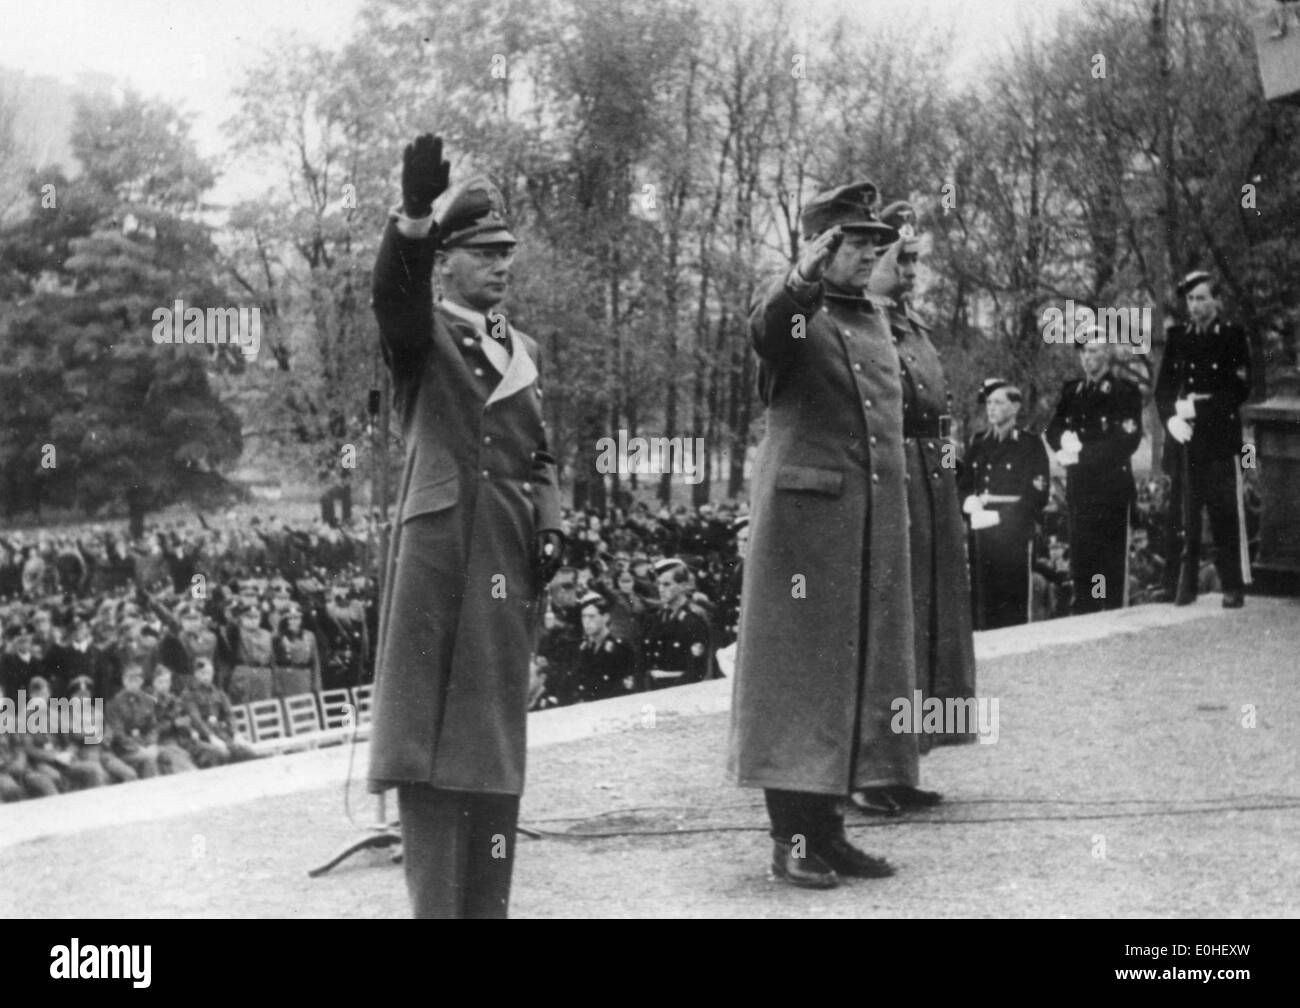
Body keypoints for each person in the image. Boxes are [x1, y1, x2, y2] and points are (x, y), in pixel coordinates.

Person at [367, 134, 564, 919]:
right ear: (445, 260)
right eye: (483, 252)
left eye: (507, 252)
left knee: (492, 738)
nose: (501, 265)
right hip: (442, 562)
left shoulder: (524, 349)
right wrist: (413, 216)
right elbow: (393, 294)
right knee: (429, 743)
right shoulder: (422, 338)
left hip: (509, 562)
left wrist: (550, 522)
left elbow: (542, 453)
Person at [729, 180, 906, 889]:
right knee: (797, 680)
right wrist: (801, 276)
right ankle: (790, 839)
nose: (869, 255)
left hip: (864, 524)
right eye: (854, 244)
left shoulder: (871, 317)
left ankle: (828, 831)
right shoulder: (797, 313)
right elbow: (769, 330)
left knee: (847, 672)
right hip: (803, 529)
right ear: (821, 248)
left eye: (873, 244)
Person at [853, 201, 978, 816]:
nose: (910, 273)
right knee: (888, 622)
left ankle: (905, 759)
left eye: (915, 261)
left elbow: (943, 410)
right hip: (890, 482)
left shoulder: (913, 327)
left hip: (930, 484)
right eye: (901, 260)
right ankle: (870, 768)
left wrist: (952, 484)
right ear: (872, 262)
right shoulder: (860, 327)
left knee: (927, 619)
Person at [1154, 271, 1252, 608]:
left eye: (1201, 298)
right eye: (1190, 299)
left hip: (1219, 437)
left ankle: (1232, 584)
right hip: (1187, 438)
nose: (1194, 306)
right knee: (1185, 513)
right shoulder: (1179, 338)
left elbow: (1238, 388)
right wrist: (1170, 418)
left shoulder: (1232, 337)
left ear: (1217, 301)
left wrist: (1197, 407)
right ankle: (1184, 583)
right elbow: (1163, 389)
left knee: (1223, 511)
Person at [1045, 334, 1144, 613]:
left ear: (1107, 355)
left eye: (1094, 351)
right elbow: (1052, 428)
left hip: (1110, 492)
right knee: (1083, 564)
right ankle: (1088, 618)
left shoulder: (1124, 392)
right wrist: (1063, 440)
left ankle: (1107, 618)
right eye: (1084, 352)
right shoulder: (1073, 391)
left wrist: (1081, 454)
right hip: (1080, 492)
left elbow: (1126, 441)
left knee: (1109, 567)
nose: (1087, 357)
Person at [958, 380, 1051, 630]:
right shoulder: (978, 444)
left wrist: (1001, 518)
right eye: (988, 403)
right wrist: (967, 501)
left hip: (1014, 538)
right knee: (983, 612)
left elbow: (1036, 495)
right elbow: (962, 482)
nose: (991, 408)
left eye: (998, 402)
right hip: (982, 538)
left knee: (1013, 612)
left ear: (1015, 407)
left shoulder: (1029, 445)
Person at [640, 559, 712, 690]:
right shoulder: (655, 618)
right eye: (659, 584)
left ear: (683, 585)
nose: (661, 589)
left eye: (667, 584)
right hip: (653, 690)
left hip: (678, 691)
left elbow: (697, 671)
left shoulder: (692, 620)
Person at [181, 657, 257, 765]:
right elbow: (197, 720)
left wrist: (236, 733)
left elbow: (229, 714)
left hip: (220, 733)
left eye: (209, 673)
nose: (207, 676)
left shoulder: (218, 692)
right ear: (196, 674)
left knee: (247, 753)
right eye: (203, 673)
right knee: (222, 754)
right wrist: (211, 737)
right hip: (202, 738)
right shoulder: (189, 695)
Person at [571, 592, 638, 701]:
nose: (587, 622)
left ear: (605, 618)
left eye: (592, 616)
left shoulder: (620, 648)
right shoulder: (583, 648)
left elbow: (626, 688)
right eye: (584, 617)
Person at [106, 662, 160, 778]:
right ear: (124, 681)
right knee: (148, 758)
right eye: (130, 680)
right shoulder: (114, 704)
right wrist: (138, 748)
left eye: (137, 680)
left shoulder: (148, 700)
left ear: (142, 681)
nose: (134, 683)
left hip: (145, 745)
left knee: (161, 754)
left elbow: (153, 727)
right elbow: (118, 734)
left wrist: (151, 744)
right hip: (124, 750)